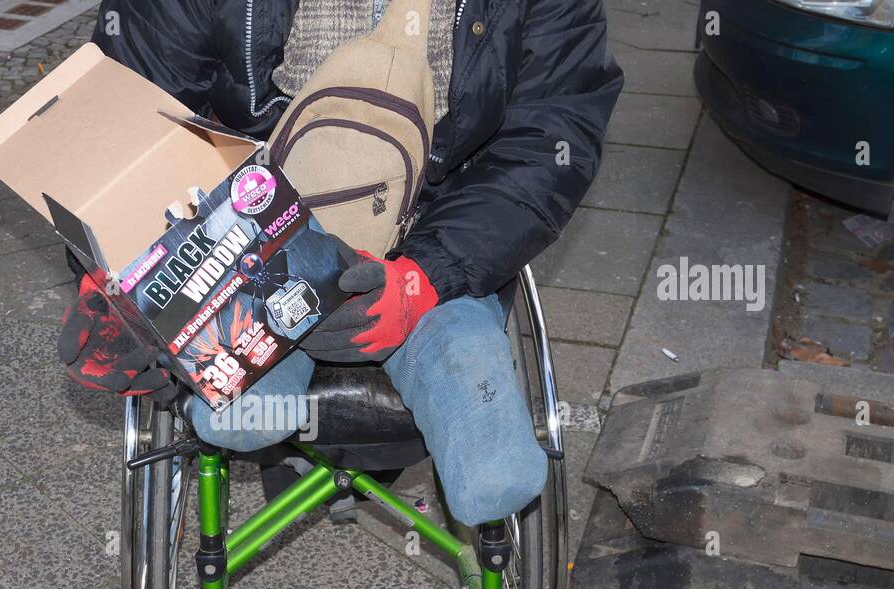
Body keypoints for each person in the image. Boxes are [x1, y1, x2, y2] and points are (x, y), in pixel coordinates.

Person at [59, 0, 622, 524]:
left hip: (434, 225)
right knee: (241, 376)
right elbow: (130, 106)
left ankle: (452, 350)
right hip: (243, 238)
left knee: (460, 351)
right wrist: (128, 274)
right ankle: (257, 361)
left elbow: (549, 133)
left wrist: (427, 277)